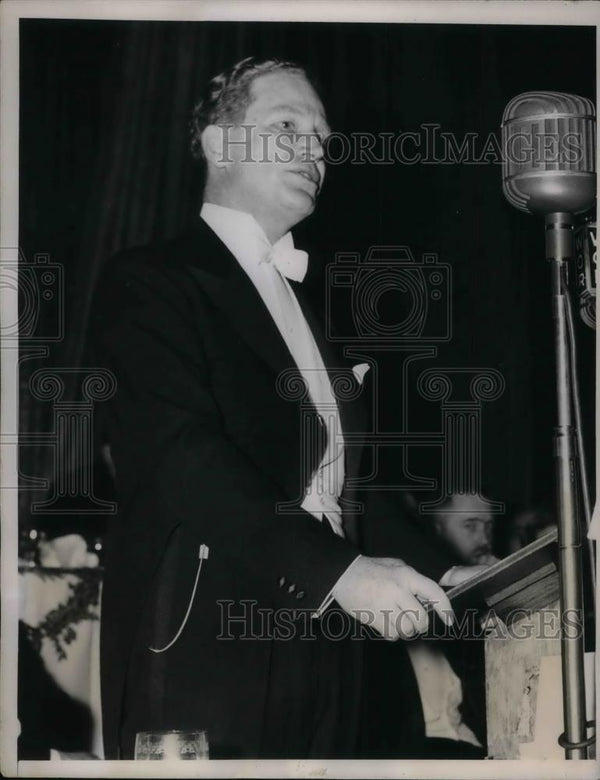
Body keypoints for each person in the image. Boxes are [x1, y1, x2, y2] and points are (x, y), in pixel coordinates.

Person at [89, 56, 483, 760]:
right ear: (218, 144)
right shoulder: (151, 281)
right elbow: (183, 457)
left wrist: (445, 570)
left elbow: (344, 485)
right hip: (204, 638)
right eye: (286, 126)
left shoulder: (308, 307)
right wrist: (342, 572)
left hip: (330, 645)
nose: (314, 150)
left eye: (322, 138)